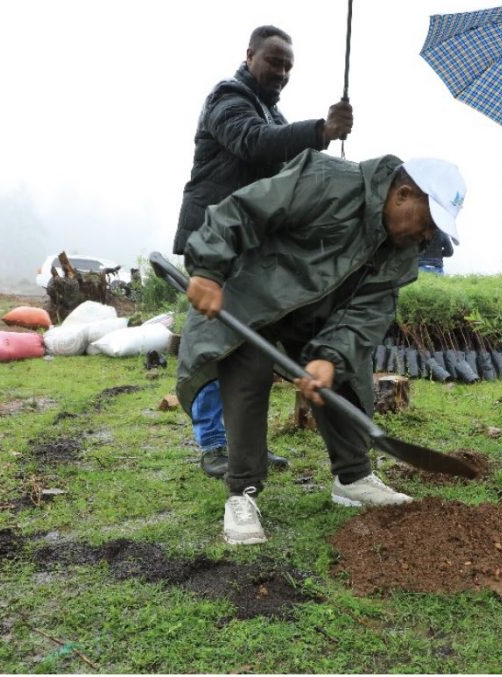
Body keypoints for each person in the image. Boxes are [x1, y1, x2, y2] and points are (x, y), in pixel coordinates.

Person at [178, 149, 466, 545]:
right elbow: (244, 210)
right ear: (402, 194)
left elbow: (366, 316)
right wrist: (208, 271)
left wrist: (330, 358)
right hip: (253, 297)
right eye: (429, 221)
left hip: (316, 321)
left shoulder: (401, 255)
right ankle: (241, 493)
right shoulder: (327, 180)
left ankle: (353, 477)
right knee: (249, 367)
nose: (428, 236)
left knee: (347, 371)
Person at [173, 25, 354, 479]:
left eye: (289, 66)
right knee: (212, 344)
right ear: (250, 55)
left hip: (248, 244)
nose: (282, 72)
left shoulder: (271, 112)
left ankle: (242, 445)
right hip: (213, 243)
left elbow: (289, 171)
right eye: (274, 62)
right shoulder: (228, 100)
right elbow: (252, 143)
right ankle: (214, 445)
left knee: (245, 347)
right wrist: (319, 129)